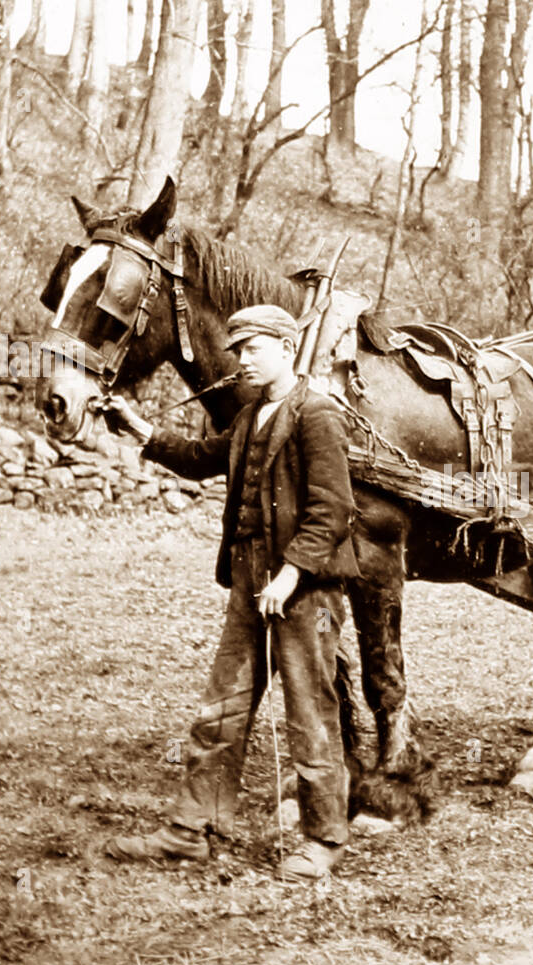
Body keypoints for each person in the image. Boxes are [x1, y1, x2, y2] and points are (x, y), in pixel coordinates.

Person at [100, 304, 359, 881]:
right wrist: (140, 429)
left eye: (253, 349)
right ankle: (191, 830)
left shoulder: (317, 414)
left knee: (310, 712)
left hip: (303, 594)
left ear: (286, 348)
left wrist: (290, 575)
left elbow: (333, 510)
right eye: (238, 349)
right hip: (249, 584)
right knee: (222, 708)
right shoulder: (250, 416)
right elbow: (200, 459)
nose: (241, 359)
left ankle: (323, 839)